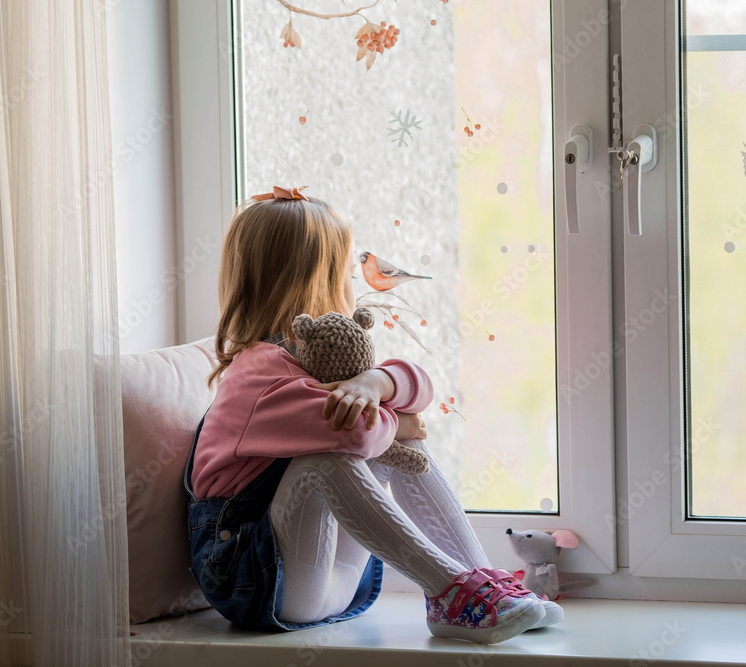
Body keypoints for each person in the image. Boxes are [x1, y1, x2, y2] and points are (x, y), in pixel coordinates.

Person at [183, 186, 563, 643]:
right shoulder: (259, 374)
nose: (354, 284)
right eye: (347, 272)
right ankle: (448, 589)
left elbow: (421, 389)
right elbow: (359, 436)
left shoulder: (319, 358)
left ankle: (480, 583)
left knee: (401, 443)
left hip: (323, 577)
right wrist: (398, 420)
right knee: (324, 460)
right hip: (253, 581)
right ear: (318, 281)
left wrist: (378, 382)